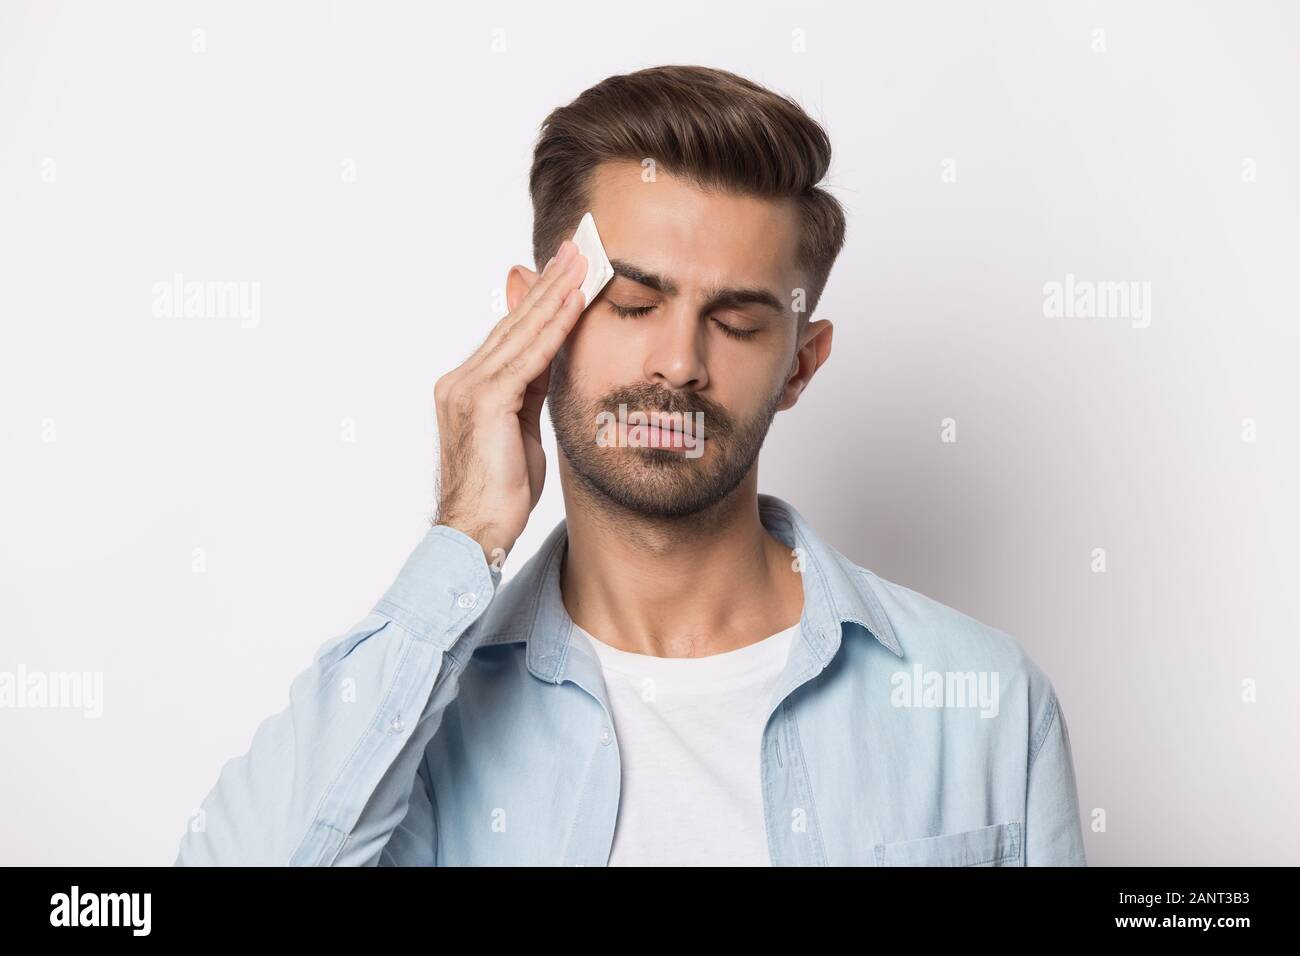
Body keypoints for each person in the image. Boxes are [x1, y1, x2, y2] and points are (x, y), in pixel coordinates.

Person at [176, 65, 1086, 866]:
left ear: (801, 366)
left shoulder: (987, 704)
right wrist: (465, 535)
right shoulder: (414, 715)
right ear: (532, 326)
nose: (679, 361)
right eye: (631, 303)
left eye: (735, 323)